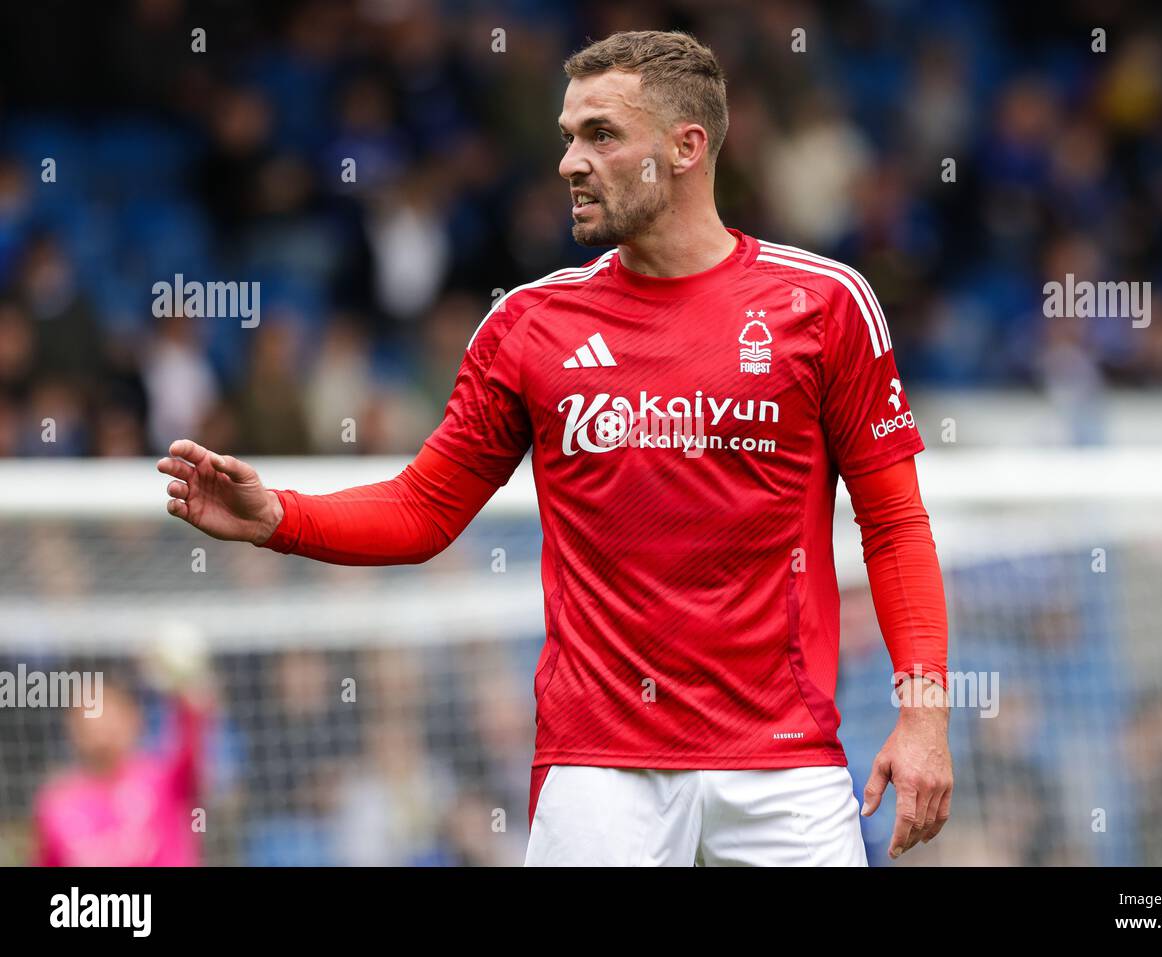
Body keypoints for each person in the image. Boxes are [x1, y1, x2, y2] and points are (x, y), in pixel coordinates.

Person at [157, 30, 951, 867]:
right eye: (568, 136)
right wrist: (280, 514)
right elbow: (425, 509)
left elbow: (895, 524)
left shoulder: (823, 304)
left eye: (601, 135)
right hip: (597, 770)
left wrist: (925, 713)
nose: (571, 161)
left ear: (686, 149)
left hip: (786, 765)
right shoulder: (528, 324)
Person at [33, 669, 208, 867]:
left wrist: (189, 698)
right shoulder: (57, 805)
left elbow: (192, 750)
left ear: (131, 718)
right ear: (73, 726)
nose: (98, 723)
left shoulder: (164, 780)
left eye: (107, 711)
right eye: (88, 712)